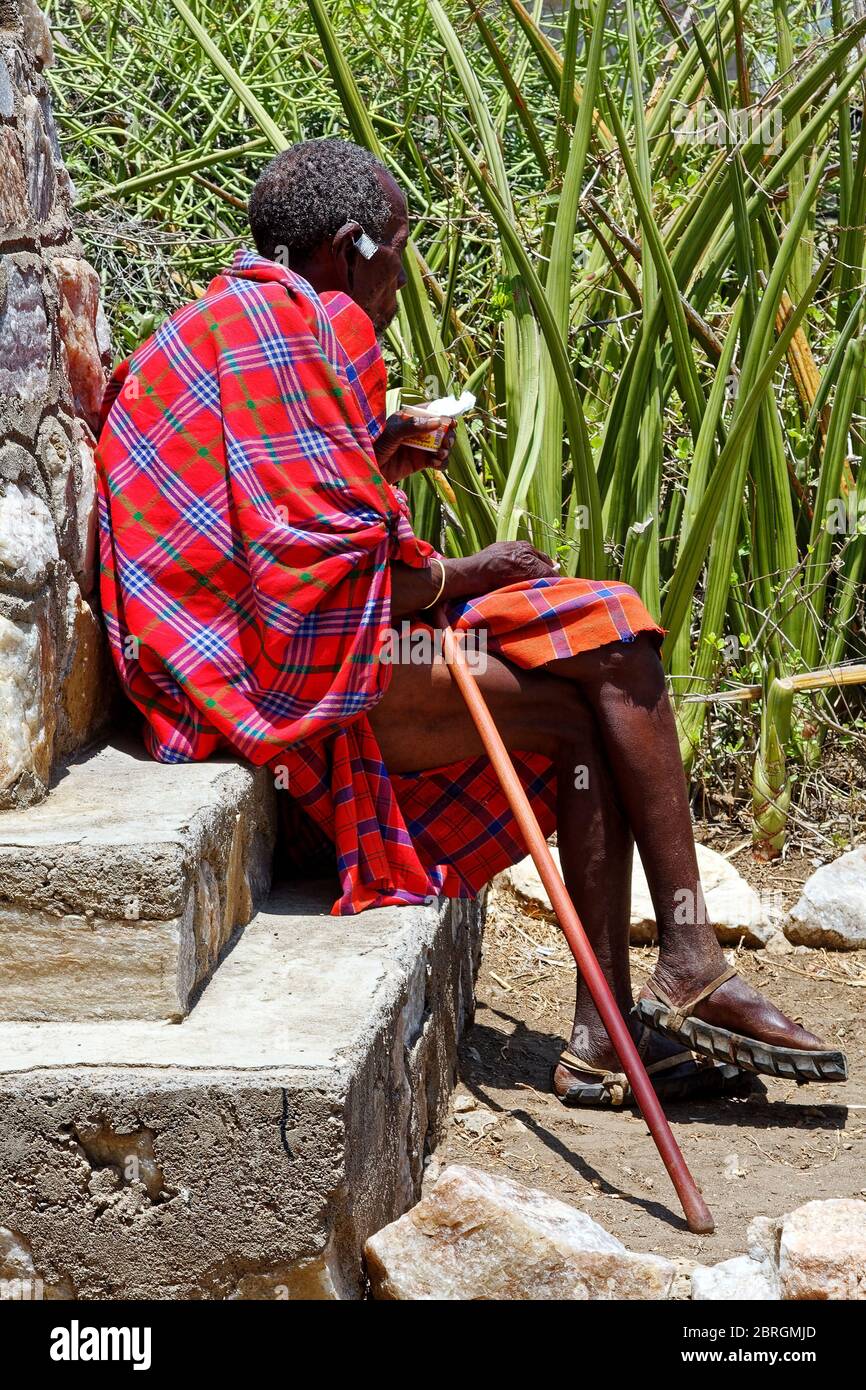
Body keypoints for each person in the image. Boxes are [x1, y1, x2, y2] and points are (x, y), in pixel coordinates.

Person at [96, 138, 845, 1108]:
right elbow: (330, 569)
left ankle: (615, 1021)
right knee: (612, 642)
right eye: (398, 252)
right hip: (303, 676)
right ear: (351, 247)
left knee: (596, 655)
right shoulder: (313, 327)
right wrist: (468, 568)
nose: (400, 282)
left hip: (233, 663)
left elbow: (274, 511)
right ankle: (679, 965)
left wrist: (375, 453)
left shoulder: (220, 322)